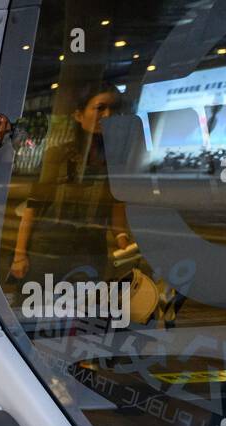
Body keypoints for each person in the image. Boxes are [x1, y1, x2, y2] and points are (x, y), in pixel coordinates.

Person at [9, 84, 133, 286]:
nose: (108, 114)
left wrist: (123, 242)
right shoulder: (58, 155)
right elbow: (32, 208)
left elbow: (116, 211)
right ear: (78, 115)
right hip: (48, 250)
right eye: (100, 108)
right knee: (40, 310)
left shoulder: (115, 162)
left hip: (91, 253)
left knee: (81, 313)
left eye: (114, 109)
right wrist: (19, 256)